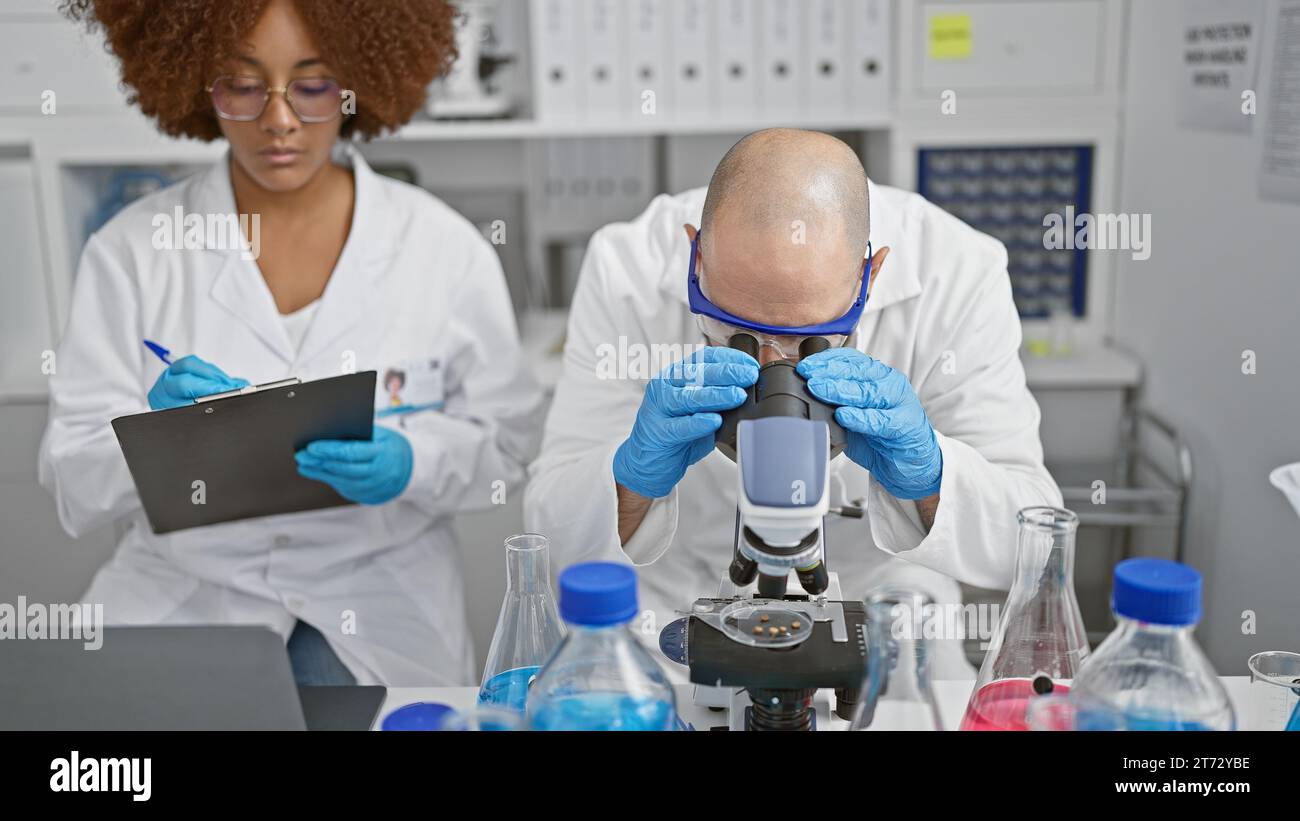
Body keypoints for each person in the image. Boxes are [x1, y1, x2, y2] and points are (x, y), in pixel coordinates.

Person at [40, 0, 541, 686]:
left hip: (381, 587)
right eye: (243, 85)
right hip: (190, 590)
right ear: (194, 81)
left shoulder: (443, 249)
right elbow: (72, 482)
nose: (278, 120)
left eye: (312, 84)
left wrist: (414, 461)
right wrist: (154, 439)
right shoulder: (130, 252)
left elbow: (508, 445)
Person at [525, 129, 1062, 676]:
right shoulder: (626, 268)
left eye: (812, 338)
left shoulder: (959, 272)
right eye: (737, 332)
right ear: (695, 255)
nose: (771, 366)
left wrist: (931, 478)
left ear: (869, 277)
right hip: (667, 619)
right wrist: (630, 480)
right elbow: (549, 533)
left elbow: (1033, 546)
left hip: (884, 616)